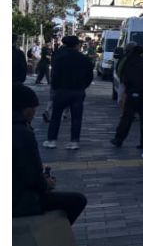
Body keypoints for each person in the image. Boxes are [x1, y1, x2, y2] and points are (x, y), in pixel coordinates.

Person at [13, 84, 87, 225]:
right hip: (17, 200)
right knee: (78, 200)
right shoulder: (22, 133)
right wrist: (46, 183)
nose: (34, 113)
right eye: (34, 109)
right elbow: (32, 177)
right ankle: (52, 233)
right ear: (26, 109)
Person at [44, 36, 94, 150]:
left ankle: (52, 140)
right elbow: (89, 76)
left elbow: (54, 75)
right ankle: (74, 141)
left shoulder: (59, 57)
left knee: (56, 116)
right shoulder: (83, 58)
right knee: (76, 117)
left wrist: (55, 87)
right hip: (78, 91)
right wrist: (83, 86)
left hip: (61, 90)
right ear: (77, 45)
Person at [110, 45, 143, 150]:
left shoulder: (127, 65)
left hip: (132, 96)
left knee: (126, 119)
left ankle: (118, 139)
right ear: (142, 54)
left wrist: (120, 97)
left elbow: (123, 83)